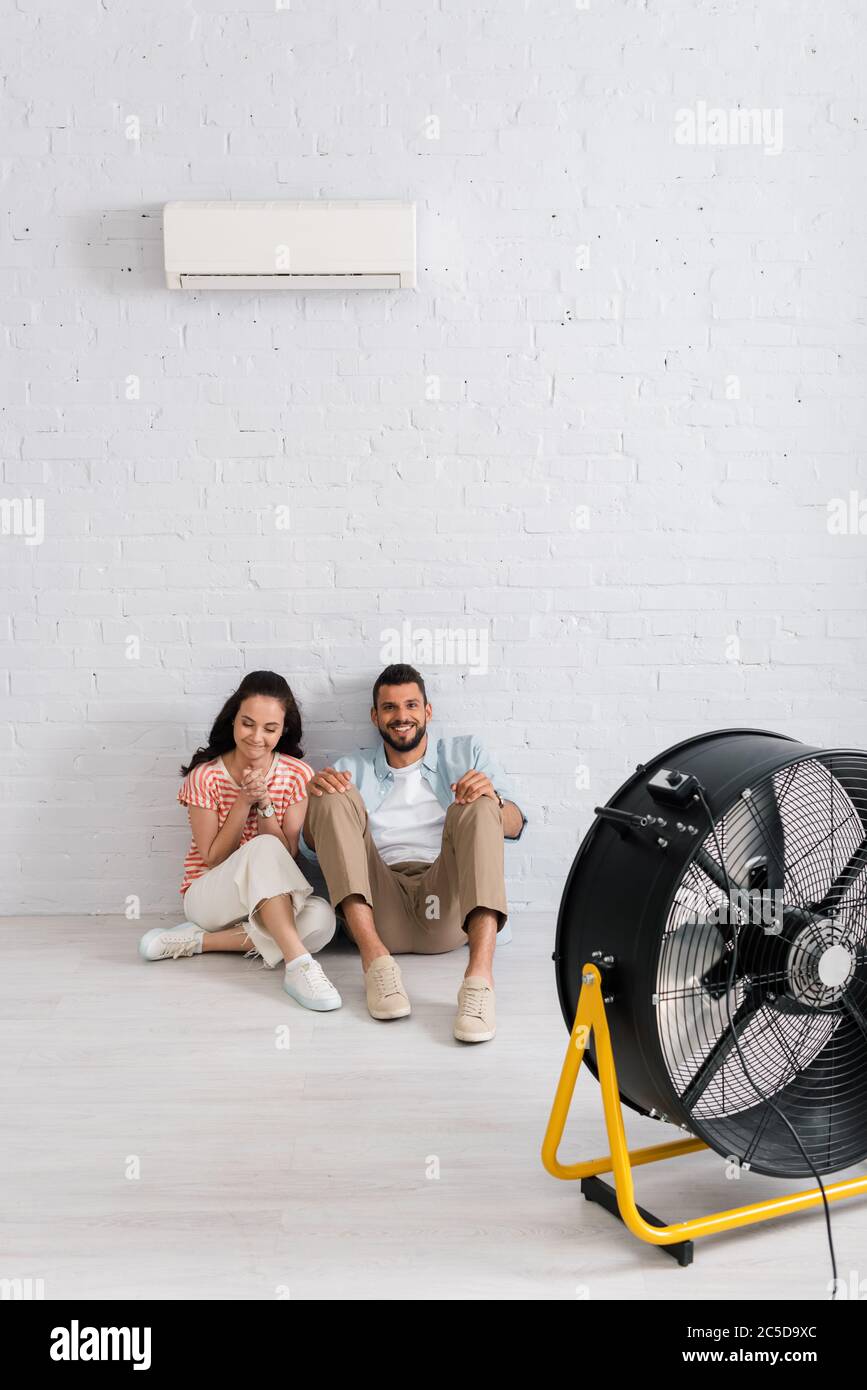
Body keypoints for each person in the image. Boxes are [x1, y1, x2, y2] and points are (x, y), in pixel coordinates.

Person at [301, 663, 526, 1042]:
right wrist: (317, 804)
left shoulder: (466, 753)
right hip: (379, 910)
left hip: (447, 909)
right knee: (330, 794)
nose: (401, 716)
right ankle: (377, 965)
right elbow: (310, 850)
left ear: (427, 711)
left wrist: (494, 799)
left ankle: (479, 982)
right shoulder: (350, 768)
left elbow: (516, 825)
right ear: (375, 716)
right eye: (389, 707)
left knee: (481, 802)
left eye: (410, 705)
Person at [139, 670, 341, 1012]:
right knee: (263, 848)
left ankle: (198, 942)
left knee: (323, 920)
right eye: (248, 724)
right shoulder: (205, 777)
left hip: (270, 901)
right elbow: (213, 857)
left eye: (270, 729)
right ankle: (299, 966)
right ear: (233, 719)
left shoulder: (297, 775)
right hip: (211, 897)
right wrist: (244, 801)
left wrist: (265, 804)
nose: (257, 737)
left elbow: (288, 856)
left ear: (283, 730)